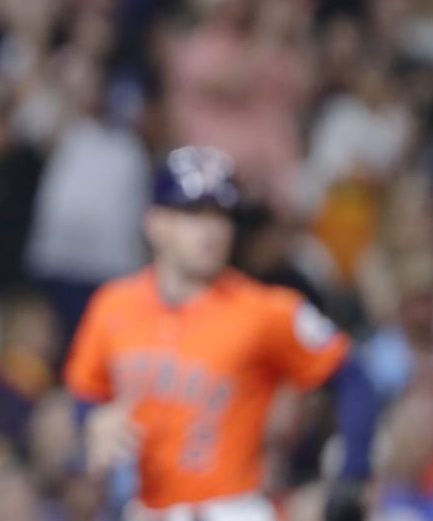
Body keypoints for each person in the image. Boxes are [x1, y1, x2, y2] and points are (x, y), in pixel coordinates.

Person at [63, 146, 373, 521]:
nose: (211, 230)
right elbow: (86, 389)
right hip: (144, 509)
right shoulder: (113, 305)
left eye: (221, 215)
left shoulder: (266, 310)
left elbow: (353, 378)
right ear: (156, 223)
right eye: (194, 214)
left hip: (230, 510)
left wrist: (351, 475)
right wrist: (93, 420)